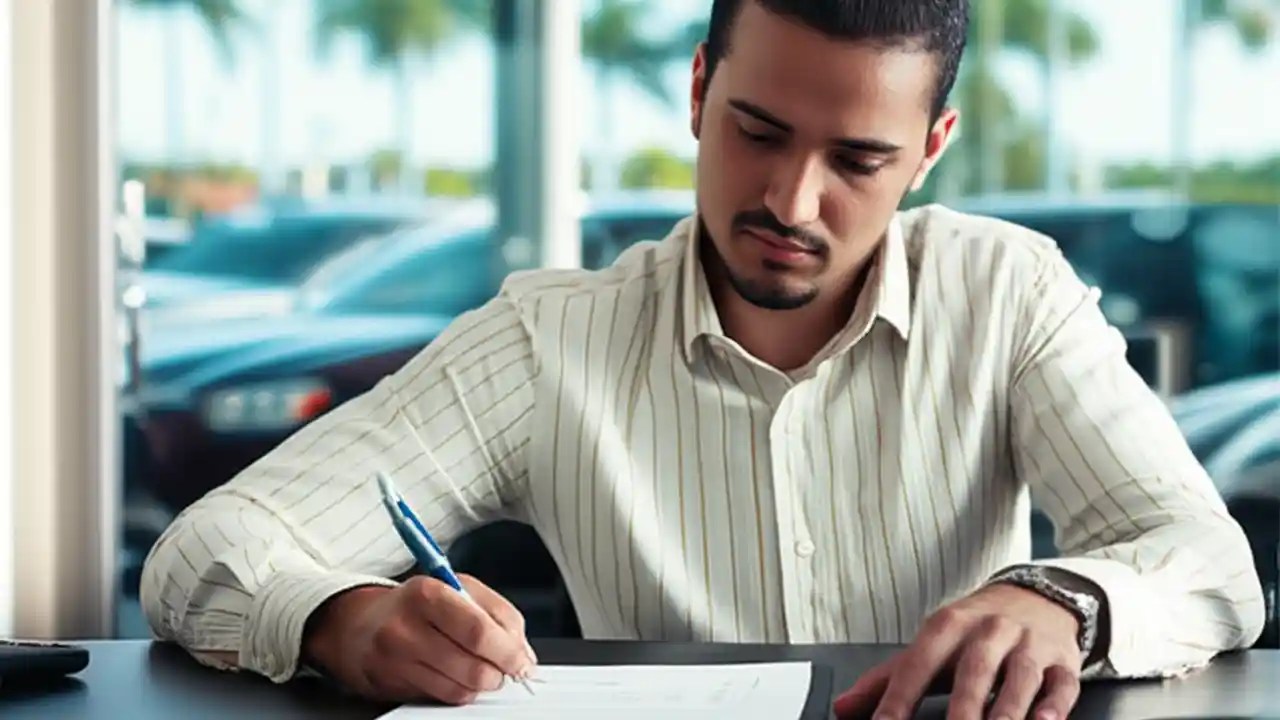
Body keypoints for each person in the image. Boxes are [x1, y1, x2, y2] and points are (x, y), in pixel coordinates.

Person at [140, 1, 1264, 718]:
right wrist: (340, 619)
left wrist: (1065, 601)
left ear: (929, 151)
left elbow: (1207, 564)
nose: (791, 201)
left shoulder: (1009, 293)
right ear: (695, 91)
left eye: (857, 161)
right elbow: (203, 550)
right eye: (756, 132)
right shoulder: (547, 341)